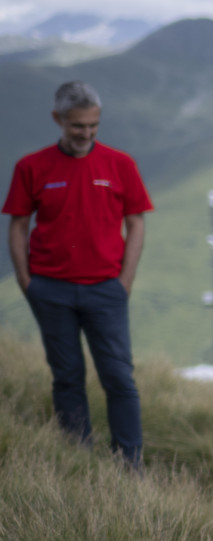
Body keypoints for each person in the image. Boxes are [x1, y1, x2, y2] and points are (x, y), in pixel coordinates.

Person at [5, 81, 151, 466]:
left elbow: (136, 222)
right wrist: (26, 281)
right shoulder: (31, 167)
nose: (86, 133)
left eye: (93, 125)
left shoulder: (120, 164)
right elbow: (18, 225)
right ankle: (77, 463)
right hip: (50, 290)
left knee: (119, 378)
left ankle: (128, 467)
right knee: (67, 378)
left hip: (106, 290)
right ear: (58, 120)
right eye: (77, 126)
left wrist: (125, 282)